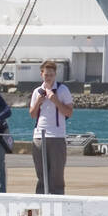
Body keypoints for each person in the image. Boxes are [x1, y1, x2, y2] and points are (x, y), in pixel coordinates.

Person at [28, 60, 73, 195]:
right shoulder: (37, 91)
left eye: (51, 75)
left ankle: (58, 202)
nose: (49, 78)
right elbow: (32, 115)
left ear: (55, 75)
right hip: (39, 136)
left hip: (57, 136)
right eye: (46, 75)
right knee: (41, 174)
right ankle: (40, 202)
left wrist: (55, 100)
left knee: (57, 174)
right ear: (41, 74)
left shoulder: (63, 90)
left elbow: (69, 112)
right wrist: (38, 102)